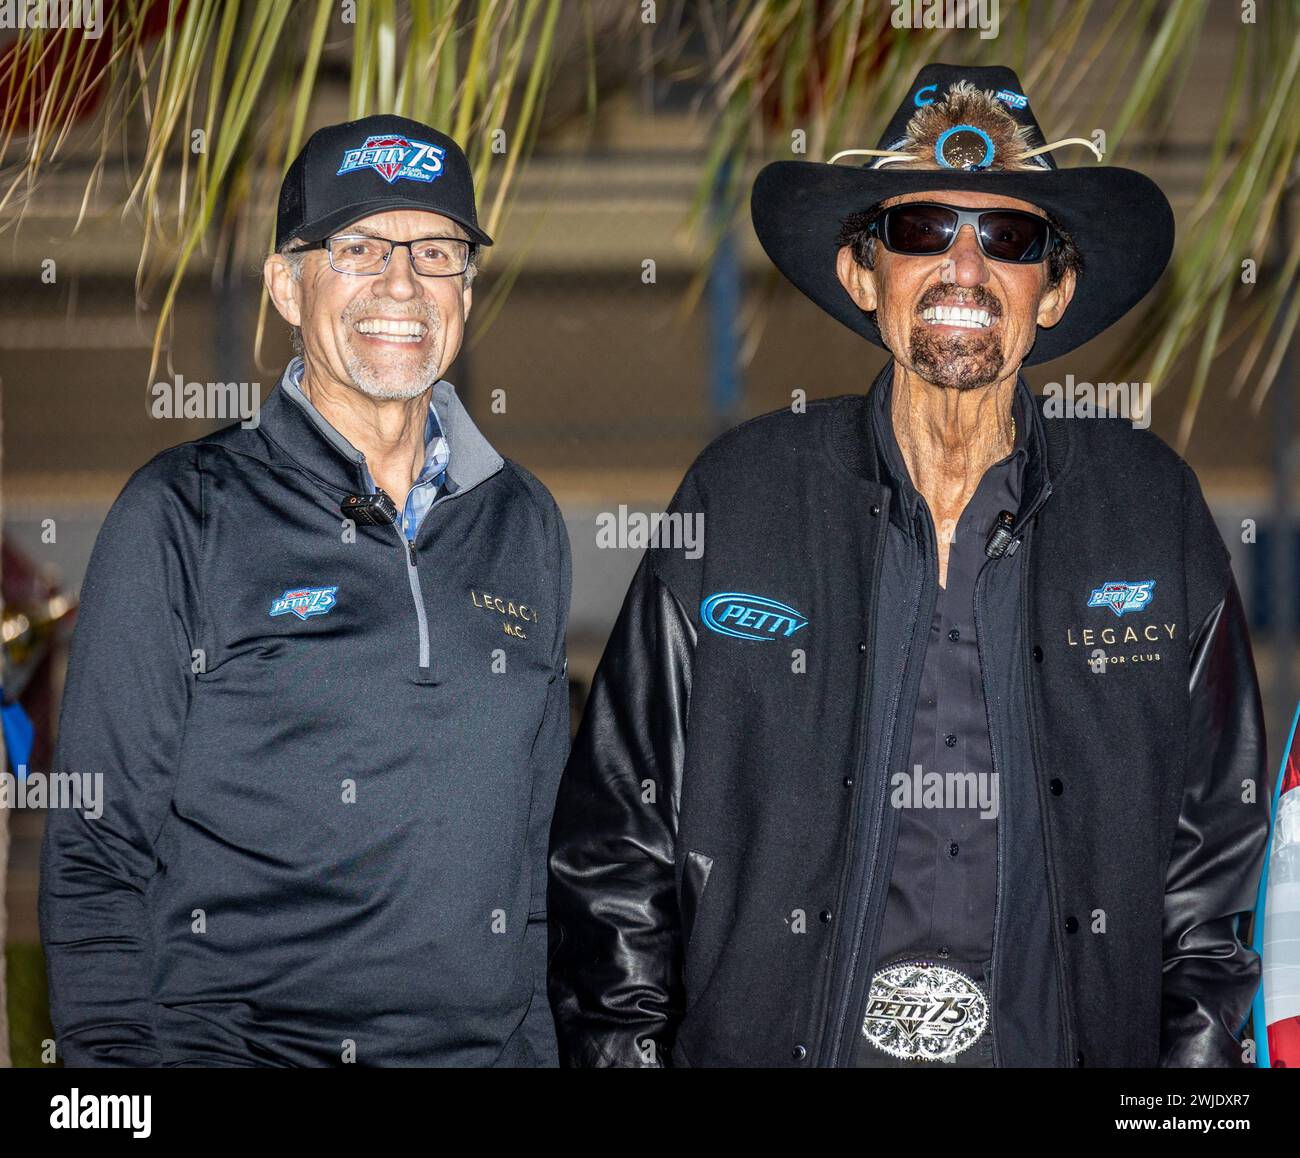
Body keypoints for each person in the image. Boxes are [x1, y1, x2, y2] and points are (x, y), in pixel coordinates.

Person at [548, 64, 1268, 1068]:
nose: (962, 268)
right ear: (862, 275)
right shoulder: (740, 496)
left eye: (1008, 238)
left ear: (1051, 291)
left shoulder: (1151, 511)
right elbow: (617, 852)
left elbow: (1217, 883)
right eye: (923, 229)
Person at [41, 115, 571, 1066]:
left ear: (468, 287)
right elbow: (96, 850)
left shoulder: (521, 519)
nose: (401, 285)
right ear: (289, 284)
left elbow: (529, 858)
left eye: (437, 250)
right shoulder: (182, 515)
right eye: (359, 248)